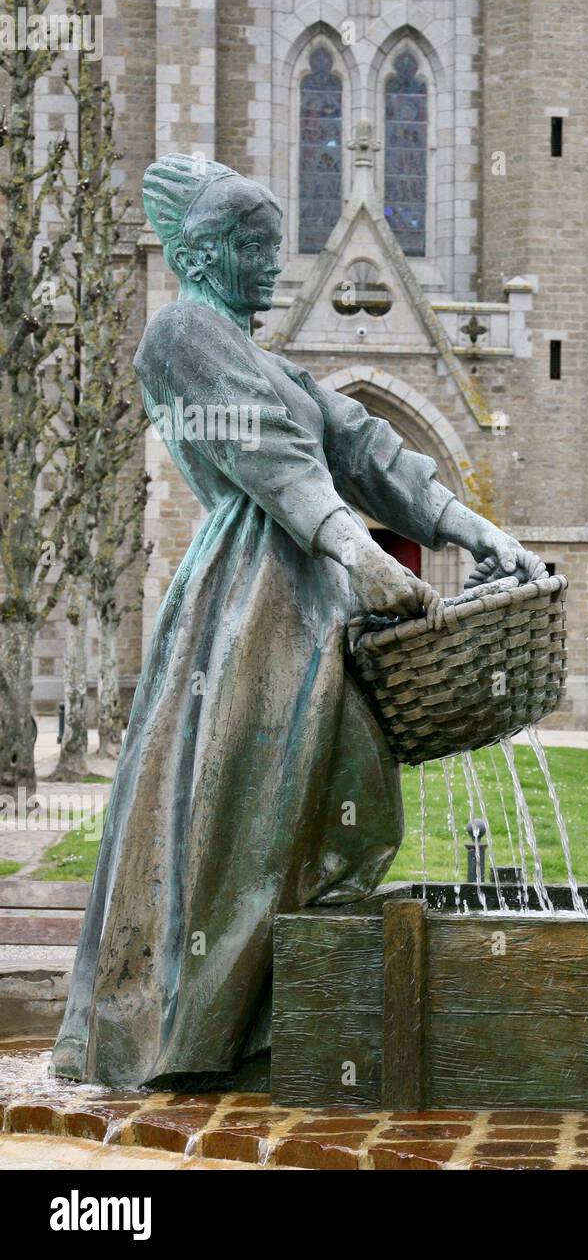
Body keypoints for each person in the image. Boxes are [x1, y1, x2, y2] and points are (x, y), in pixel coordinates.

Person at [53, 155, 542, 1089]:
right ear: (201, 252)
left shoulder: (277, 363)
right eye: (254, 246)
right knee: (241, 808)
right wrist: (355, 552)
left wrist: (476, 529)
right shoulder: (178, 333)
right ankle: (190, 1038)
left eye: (276, 246)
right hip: (245, 607)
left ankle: (277, 1021)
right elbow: (264, 449)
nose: (273, 263)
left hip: (310, 609)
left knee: (356, 807)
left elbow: (367, 449)